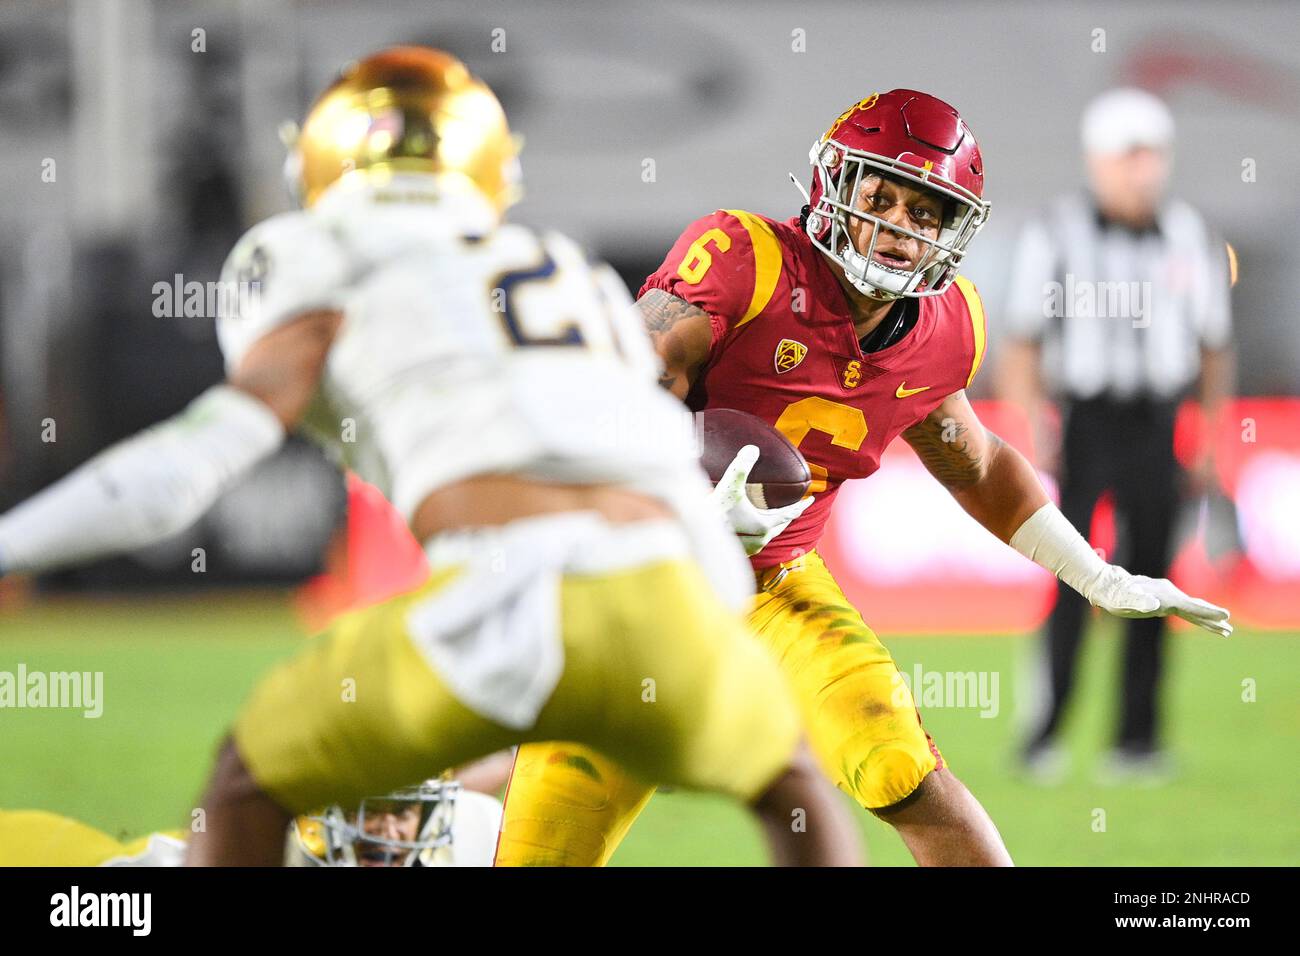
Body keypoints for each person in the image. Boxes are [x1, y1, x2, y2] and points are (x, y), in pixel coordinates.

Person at [0, 46, 857, 867]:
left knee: (246, 786)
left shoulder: (313, 254)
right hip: (664, 592)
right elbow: (670, 488)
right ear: (491, 171)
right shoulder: (572, 272)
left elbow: (182, 471)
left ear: (322, 163)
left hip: (505, 597)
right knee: (792, 785)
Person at [495, 89, 1232, 867]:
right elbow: (607, 397)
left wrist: (1094, 574)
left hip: (775, 585)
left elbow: (977, 464)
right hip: (633, 586)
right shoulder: (746, 260)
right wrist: (676, 502)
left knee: (900, 768)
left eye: (925, 213)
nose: (898, 227)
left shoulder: (945, 329)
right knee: (543, 851)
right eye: (879, 199)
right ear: (832, 187)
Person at [996, 88, 1236, 782]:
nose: (1144, 170)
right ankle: (1045, 732)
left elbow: (1214, 346)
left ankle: (1137, 740)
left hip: (1157, 424)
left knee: (1157, 579)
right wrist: (1031, 425)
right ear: (1098, 161)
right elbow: (1021, 342)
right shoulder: (1056, 232)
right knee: (1071, 574)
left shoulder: (1189, 233)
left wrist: (1209, 438)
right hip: (1085, 422)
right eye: (1130, 156)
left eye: (1152, 154)